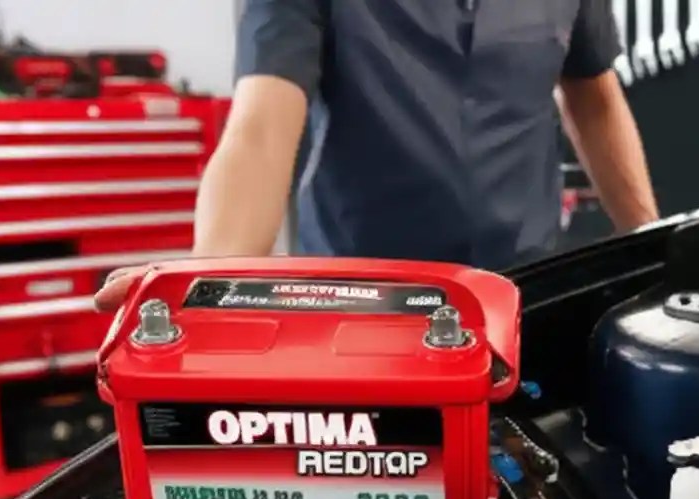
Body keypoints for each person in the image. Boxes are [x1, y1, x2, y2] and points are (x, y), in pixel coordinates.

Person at [95, 0, 659, 312]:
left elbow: (594, 94)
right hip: (361, 302)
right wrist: (207, 284)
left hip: (522, 291)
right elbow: (262, 126)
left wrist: (655, 241)